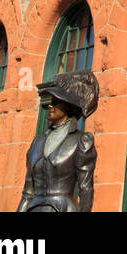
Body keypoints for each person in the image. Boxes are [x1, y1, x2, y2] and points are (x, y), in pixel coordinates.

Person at [16, 69, 98, 213]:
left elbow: (85, 190)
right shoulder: (37, 143)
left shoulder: (81, 141)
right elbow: (28, 192)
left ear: (68, 106)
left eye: (55, 102)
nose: (50, 105)